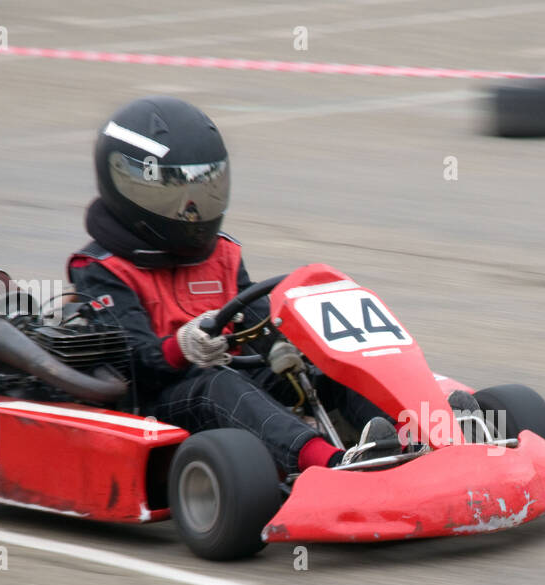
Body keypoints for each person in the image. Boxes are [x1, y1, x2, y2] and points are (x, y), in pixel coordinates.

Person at [65, 96, 399, 472]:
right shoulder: (101, 268)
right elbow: (132, 365)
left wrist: (299, 344)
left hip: (233, 375)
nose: (191, 212)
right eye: (174, 194)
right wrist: (182, 347)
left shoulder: (221, 254)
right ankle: (334, 463)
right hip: (158, 402)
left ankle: (411, 437)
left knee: (325, 369)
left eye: (203, 189)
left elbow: (257, 321)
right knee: (220, 386)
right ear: (124, 181)